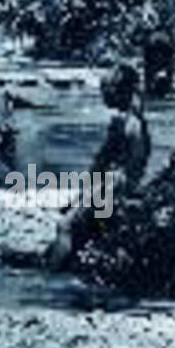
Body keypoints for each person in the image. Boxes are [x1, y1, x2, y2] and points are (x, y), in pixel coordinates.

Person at [46, 62, 150, 270]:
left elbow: (102, 164)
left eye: (106, 90)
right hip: (122, 183)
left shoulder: (122, 123)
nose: (102, 95)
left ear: (119, 91)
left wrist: (85, 195)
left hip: (112, 185)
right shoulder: (136, 119)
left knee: (65, 226)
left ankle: (50, 276)